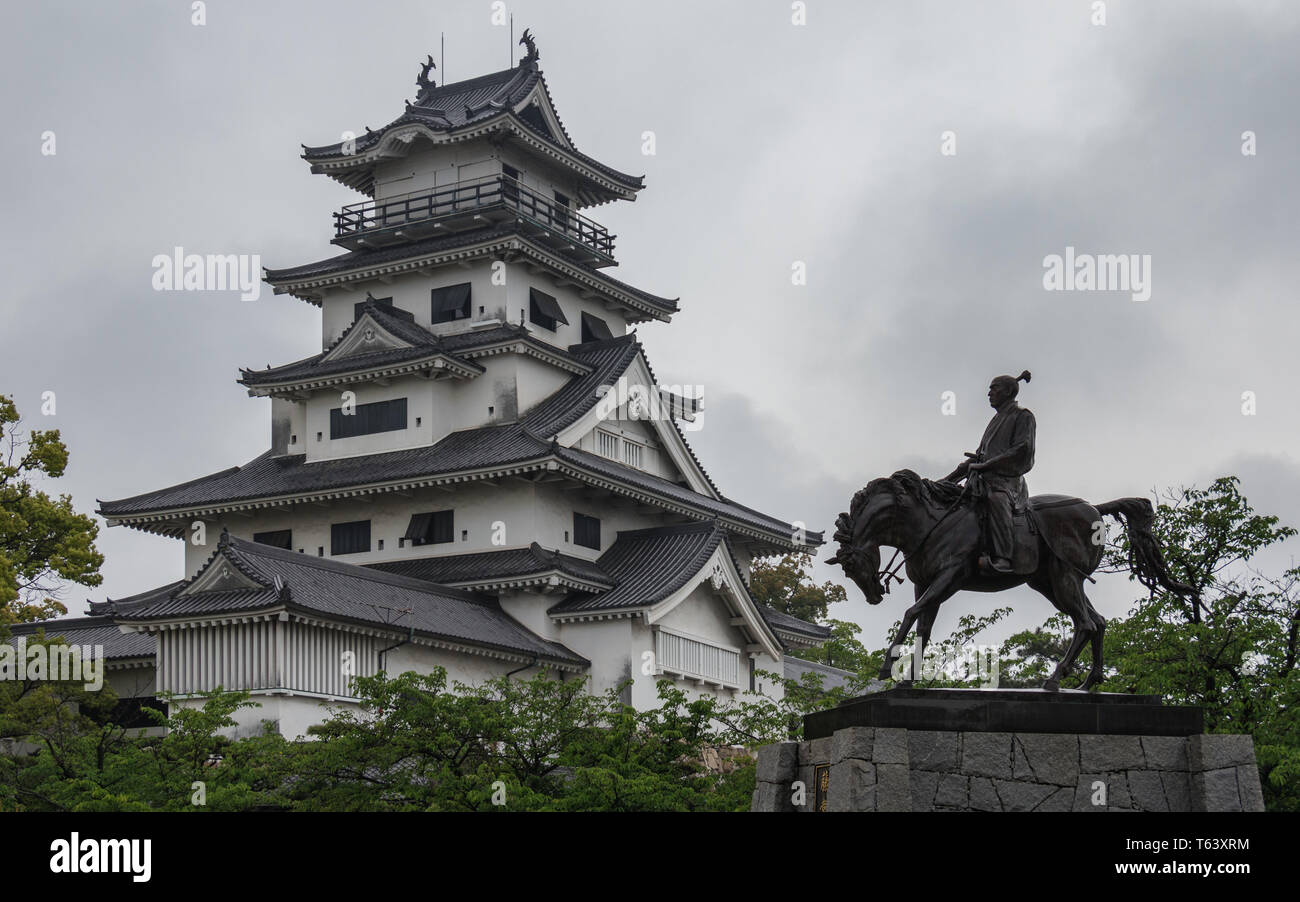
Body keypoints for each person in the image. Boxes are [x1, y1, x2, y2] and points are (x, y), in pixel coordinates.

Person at [944, 371, 1036, 574]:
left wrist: (988, 465)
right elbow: (978, 457)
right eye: (990, 389)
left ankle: (1003, 557)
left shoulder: (1023, 416)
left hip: (1007, 482)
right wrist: (948, 479)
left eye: (995, 388)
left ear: (1009, 391)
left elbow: (1022, 449)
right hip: (983, 478)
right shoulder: (995, 420)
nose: (989, 393)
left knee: (996, 500)